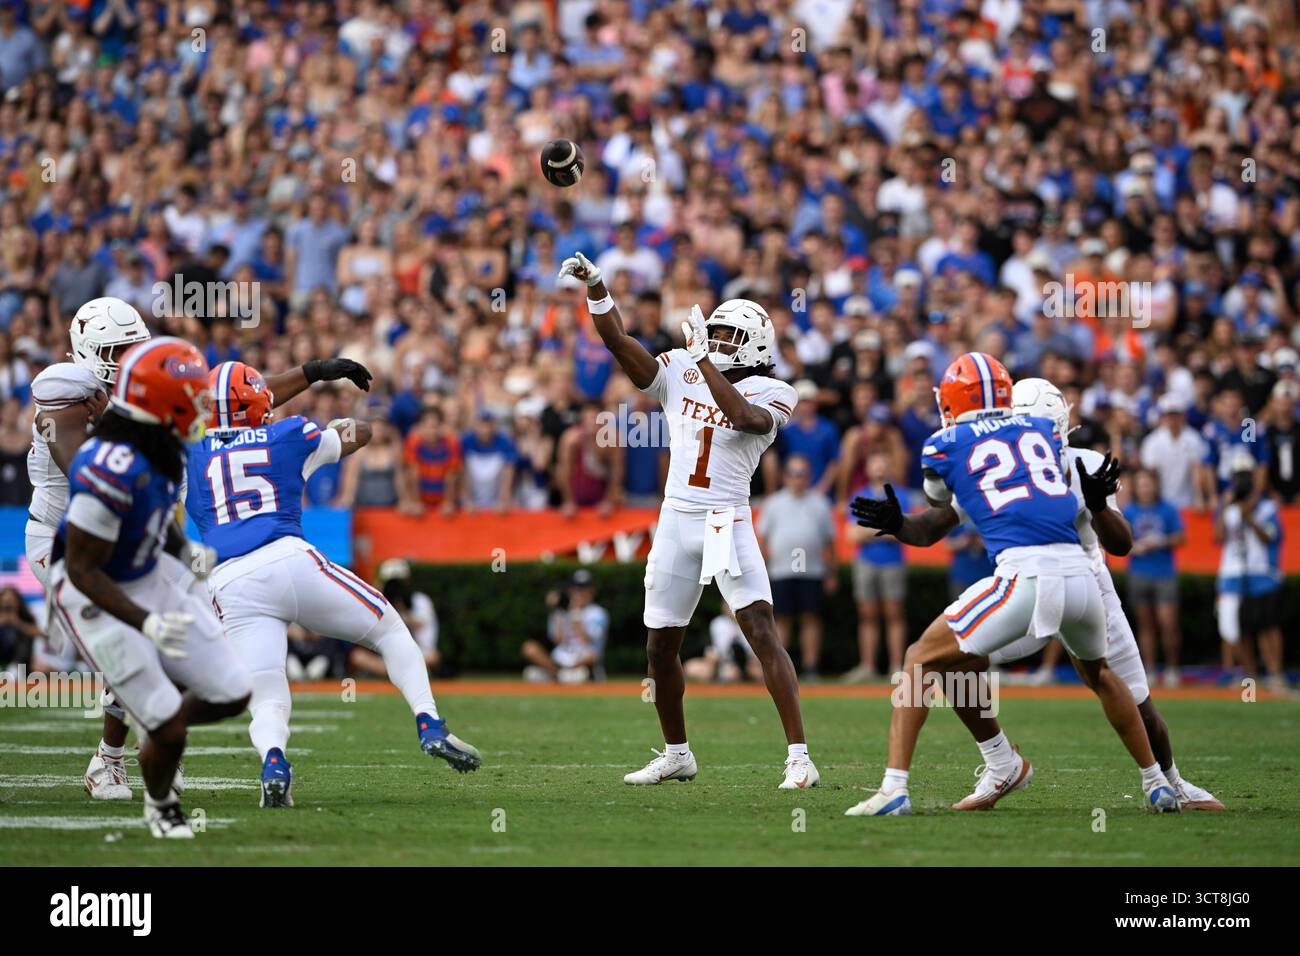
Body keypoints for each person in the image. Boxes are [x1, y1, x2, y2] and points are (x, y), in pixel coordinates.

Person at [845, 355, 1180, 816]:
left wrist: (1100, 507)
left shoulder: (953, 442)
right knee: (1094, 673)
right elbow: (935, 519)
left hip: (1031, 576)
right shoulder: (1040, 439)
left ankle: (894, 789)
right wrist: (901, 525)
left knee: (919, 656)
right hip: (1080, 581)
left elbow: (938, 495)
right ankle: (1149, 783)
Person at [559, 251, 817, 790]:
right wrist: (598, 288)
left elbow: (742, 418)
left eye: (727, 337)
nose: (716, 343)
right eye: (713, 334)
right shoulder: (682, 366)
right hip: (676, 518)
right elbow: (621, 345)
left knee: (759, 631)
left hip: (724, 518)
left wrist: (701, 361)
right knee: (660, 646)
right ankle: (677, 753)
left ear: (755, 345)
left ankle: (799, 756)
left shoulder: (774, 390)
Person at [186, 360, 480, 809]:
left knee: (266, 692)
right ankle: (429, 723)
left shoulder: (190, 454)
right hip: (287, 558)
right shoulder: (289, 435)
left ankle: (274, 761)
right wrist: (346, 419)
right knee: (388, 629)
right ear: (261, 403)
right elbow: (357, 435)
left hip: (229, 580)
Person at [49, 337, 252, 838]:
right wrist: (148, 622)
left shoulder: (159, 444)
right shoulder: (109, 466)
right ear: (163, 403)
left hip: (142, 571)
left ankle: (159, 734)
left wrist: (186, 555)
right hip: (89, 589)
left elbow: (158, 514)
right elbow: (82, 569)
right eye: (195, 396)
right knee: (166, 723)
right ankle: (161, 804)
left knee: (232, 692)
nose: (205, 405)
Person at [989, 380, 1221, 809]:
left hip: (1087, 589)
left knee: (1136, 698)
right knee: (956, 658)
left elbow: (1122, 544)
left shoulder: (1085, 464)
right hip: (1026, 585)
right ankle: (999, 763)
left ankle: (1171, 781)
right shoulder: (1001, 468)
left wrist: (1096, 505)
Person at [756, 454, 837, 681]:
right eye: (793, 473)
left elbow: (829, 541)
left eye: (801, 474)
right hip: (781, 570)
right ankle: (779, 668)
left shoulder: (820, 503)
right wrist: (762, 567)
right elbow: (761, 537)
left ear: (809, 476)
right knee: (781, 619)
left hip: (811, 570)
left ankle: (811, 667)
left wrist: (832, 572)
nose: (797, 478)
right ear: (785, 476)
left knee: (811, 618)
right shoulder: (773, 504)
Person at [1215, 448, 1288, 692]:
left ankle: (1275, 673)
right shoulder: (1229, 506)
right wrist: (1227, 509)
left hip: (1262, 572)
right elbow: (1219, 536)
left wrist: (1251, 514)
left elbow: (1270, 538)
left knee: (1267, 626)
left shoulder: (1267, 507)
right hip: (1234, 572)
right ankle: (1250, 675)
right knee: (1240, 628)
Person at [845, 451, 912, 683]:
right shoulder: (858, 495)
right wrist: (884, 529)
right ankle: (868, 666)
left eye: (884, 463)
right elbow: (852, 534)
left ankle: (896, 665)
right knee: (867, 615)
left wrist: (869, 531)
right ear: (868, 468)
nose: (879, 468)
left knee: (894, 614)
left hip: (893, 562)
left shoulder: (901, 496)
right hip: (866, 562)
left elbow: (903, 532)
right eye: (875, 463)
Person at [1124, 468, 1187, 687]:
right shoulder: (1129, 510)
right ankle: (1148, 670)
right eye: (1141, 484)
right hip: (1139, 572)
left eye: (1148, 483)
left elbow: (1181, 537)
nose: (1145, 488)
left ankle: (1172, 668)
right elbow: (1120, 541)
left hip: (1164, 572)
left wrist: (1160, 542)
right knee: (1145, 625)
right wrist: (1135, 548)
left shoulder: (1168, 509)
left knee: (1168, 623)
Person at [350, 559, 440, 675]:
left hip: (416, 653)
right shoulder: (379, 603)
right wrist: (377, 594)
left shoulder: (420, 600)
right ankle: (400, 673)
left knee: (433, 656)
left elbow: (419, 626)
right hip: (387, 657)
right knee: (357, 656)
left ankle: (394, 673)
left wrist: (402, 608)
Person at [521, 568, 608, 683]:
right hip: (561, 659)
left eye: (583, 589)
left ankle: (555, 675)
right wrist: (556, 609)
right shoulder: (561, 612)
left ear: (592, 591)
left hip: (583, 659)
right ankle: (560, 674)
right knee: (529, 647)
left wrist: (575, 613)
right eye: (576, 589)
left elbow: (585, 639)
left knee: (592, 656)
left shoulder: (598, 613)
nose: (579, 593)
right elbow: (558, 640)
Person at [683, 601, 763, 683]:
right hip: (723, 663)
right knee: (691, 668)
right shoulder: (717, 624)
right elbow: (711, 650)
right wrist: (713, 657)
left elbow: (756, 654)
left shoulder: (752, 624)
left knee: (758, 672)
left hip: (749, 664)